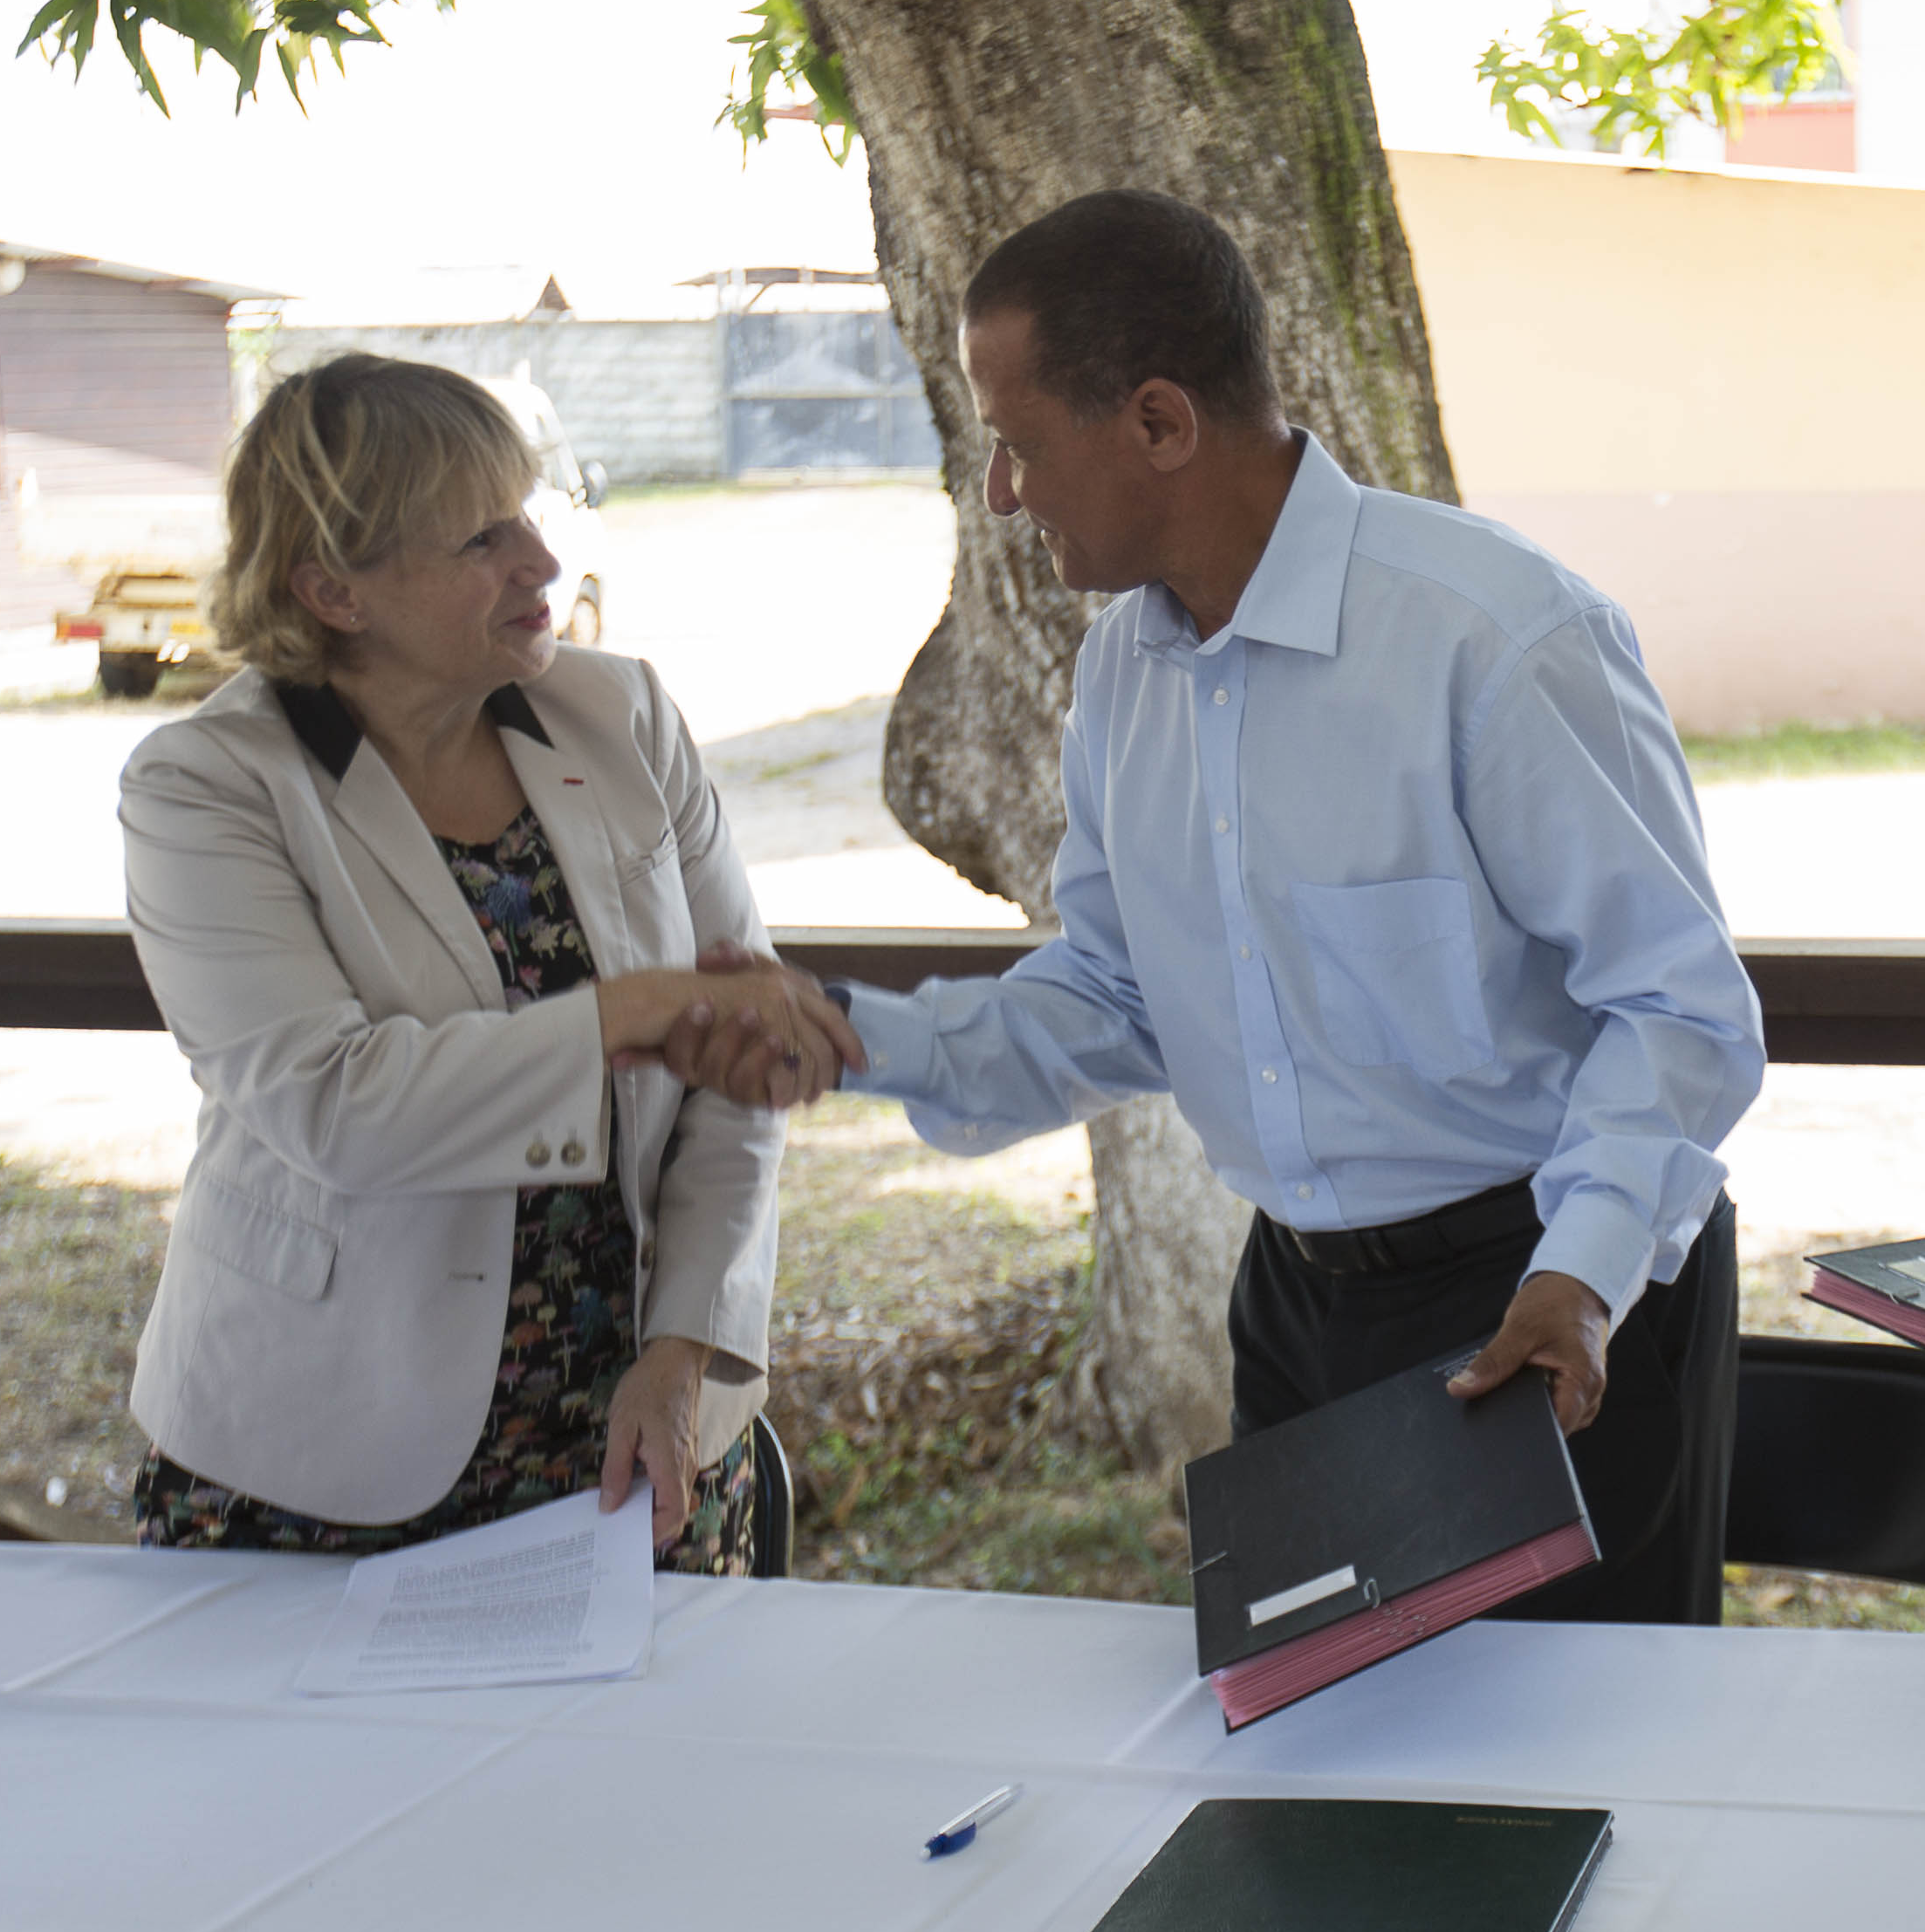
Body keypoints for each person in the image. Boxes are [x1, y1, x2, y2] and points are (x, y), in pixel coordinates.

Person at [673, 190, 1764, 1622]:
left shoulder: (1490, 638)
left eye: (1016, 444)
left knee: (1562, 1791)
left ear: (1159, 423)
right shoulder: (1125, 673)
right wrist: (848, 1040)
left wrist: (1582, 1275)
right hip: (1300, 1309)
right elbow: (1120, 994)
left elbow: (1677, 1011)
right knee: (1325, 1779)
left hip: (1544, 1309)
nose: (1001, 494)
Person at [119, 353, 862, 1569]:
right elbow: (335, 1105)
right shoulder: (205, 787)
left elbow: (740, 1067)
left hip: (639, 1433)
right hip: (322, 1460)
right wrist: (635, 1009)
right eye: (480, 541)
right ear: (334, 590)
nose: (541, 563)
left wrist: (683, 1348)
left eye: (528, 514)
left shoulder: (622, 719)